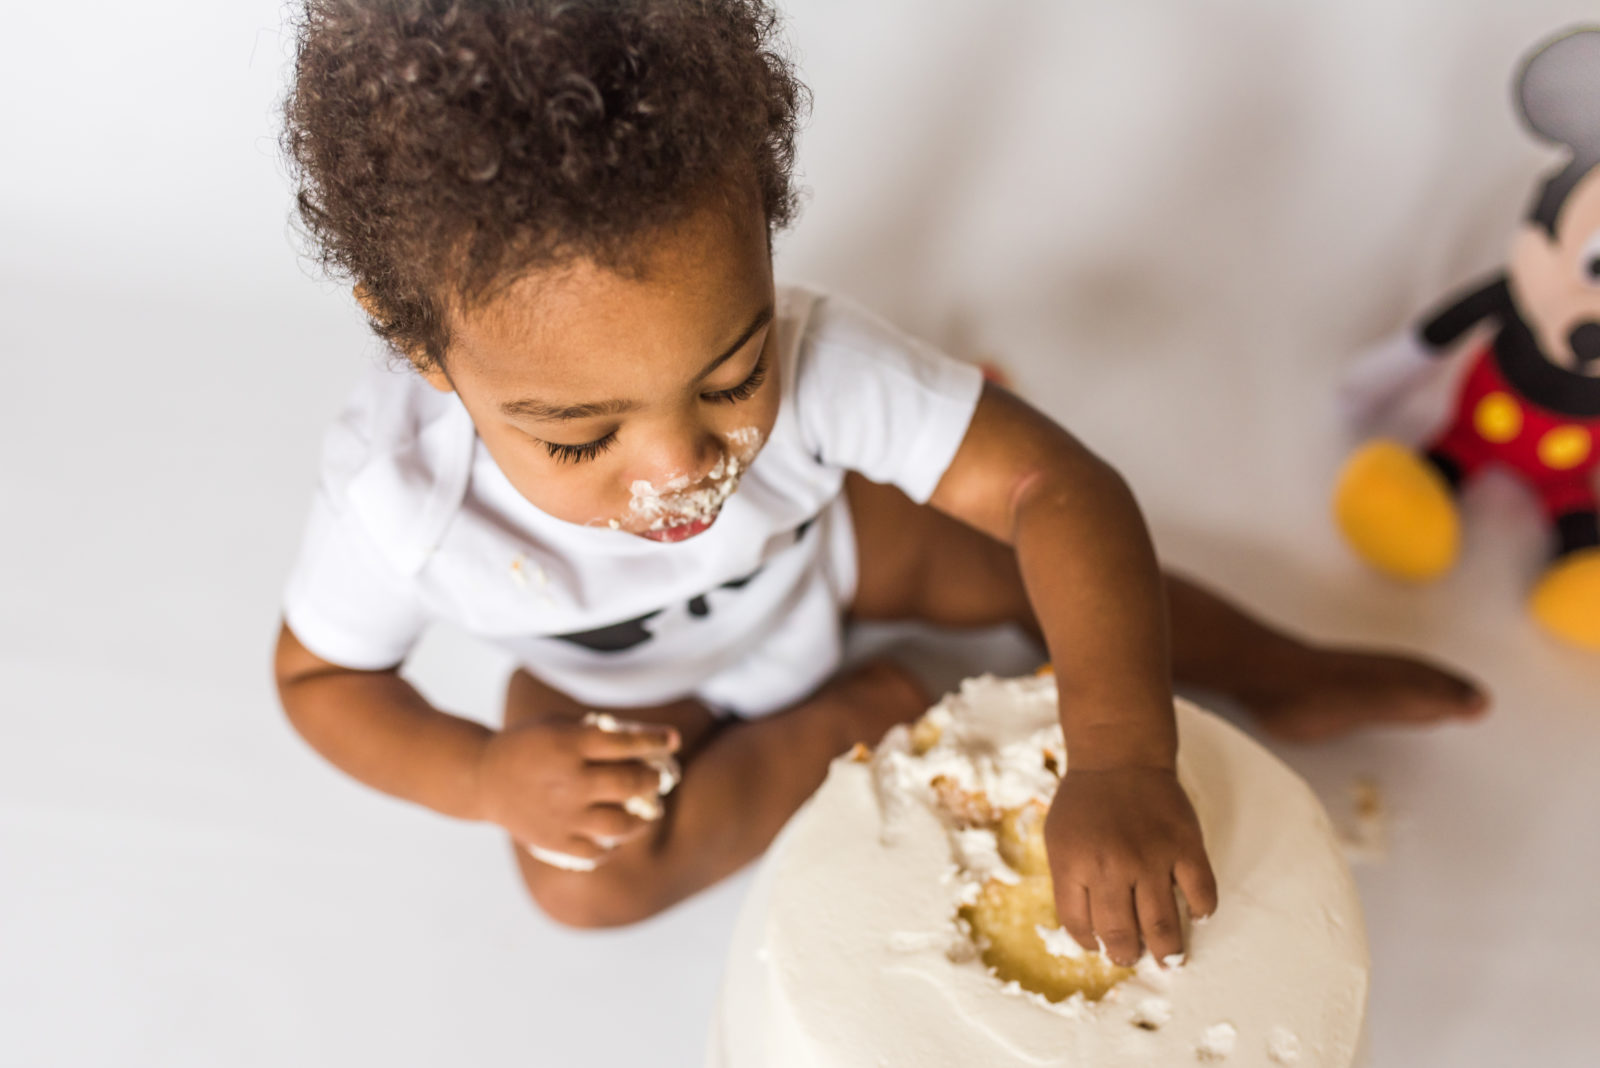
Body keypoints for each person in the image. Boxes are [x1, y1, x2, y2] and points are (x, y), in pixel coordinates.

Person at [272, 0, 1486, 966]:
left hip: (834, 557)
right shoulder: (399, 505)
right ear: (417, 342)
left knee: (1031, 564)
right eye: (580, 438)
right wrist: (484, 776)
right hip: (621, 684)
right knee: (584, 890)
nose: (685, 468)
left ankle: (1279, 669)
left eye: (731, 373)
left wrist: (1121, 756)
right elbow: (323, 677)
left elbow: (1056, 486)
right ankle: (861, 718)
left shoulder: (818, 361)